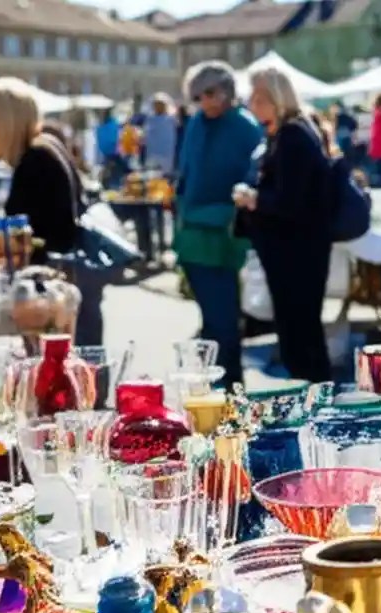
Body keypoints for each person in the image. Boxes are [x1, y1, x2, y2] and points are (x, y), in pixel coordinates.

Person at [235, 68, 333, 383]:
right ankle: (312, 402)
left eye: (257, 97)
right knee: (299, 333)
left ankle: (315, 406)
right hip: (296, 249)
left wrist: (253, 199)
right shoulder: (290, 131)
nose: (251, 104)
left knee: (300, 335)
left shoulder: (293, 134)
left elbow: (291, 201)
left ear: (274, 99)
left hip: (297, 251)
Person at [173, 61, 263, 389]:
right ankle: (214, 393)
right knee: (212, 324)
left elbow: (254, 180)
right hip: (191, 235)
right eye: (197, 96)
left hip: (225, 235)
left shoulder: (245, 126)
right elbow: (186, 175)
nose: (204, 102)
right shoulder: (196, 123)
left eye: (209, 93)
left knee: (225, 323)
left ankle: (231, 393)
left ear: (227, 90)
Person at [0, 78, 80, 264]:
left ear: (6, 124)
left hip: (46, 274)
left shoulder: (35, 159)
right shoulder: (45, 145)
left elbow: (31, 236)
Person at [145, 93, 178, 176]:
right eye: (156, 105)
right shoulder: (150, 120)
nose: (158, 107)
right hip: (152, 155)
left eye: (160, 104)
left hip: (166, 156)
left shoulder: (171, 120)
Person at [96, 111, 123, 187]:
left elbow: (116, 139)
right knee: (111, 175)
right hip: (110, 155)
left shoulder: (110, 125)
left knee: (113, 175)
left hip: (113, 155)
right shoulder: (110, 125)